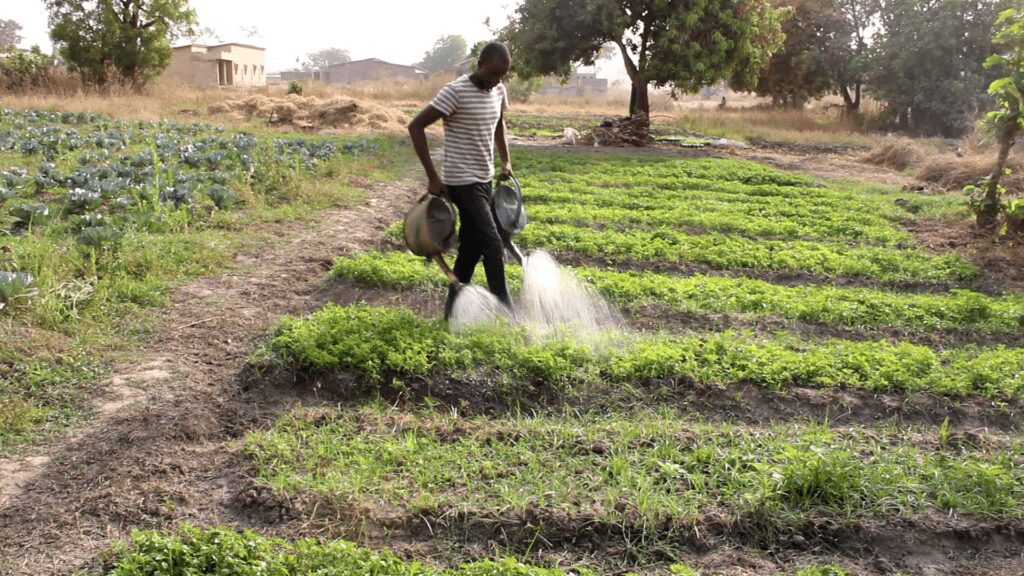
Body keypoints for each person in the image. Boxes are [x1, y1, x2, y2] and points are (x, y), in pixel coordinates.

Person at [407, 41, 514, 319]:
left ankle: (451, 311)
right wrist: (433, 177)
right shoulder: (455, 92)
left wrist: (506, 160)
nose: (496, 80)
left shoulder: (498, 90)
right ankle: (506, 313)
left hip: (484, 178)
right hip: (461, 181)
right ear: (479, 66)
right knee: (492, 242)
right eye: (492, 73)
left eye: (502, 75)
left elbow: (499, 124)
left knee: (471, 247)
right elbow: (416, 126)